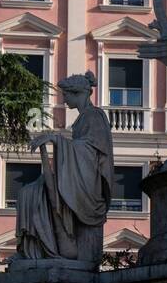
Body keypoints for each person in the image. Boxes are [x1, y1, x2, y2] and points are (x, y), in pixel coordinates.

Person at [16, 71, 113, 265]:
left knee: (33, 194)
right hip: (77, 176)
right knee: (28, 193)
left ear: (77, 93)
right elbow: (81, 148)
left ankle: (48, 249)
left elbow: (91, 150)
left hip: (87, 182)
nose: (64, 99)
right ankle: (36, 249)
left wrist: (56, 140)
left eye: (66, 95)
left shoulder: (95, 115)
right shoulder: (83, 118)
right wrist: (59, 142)